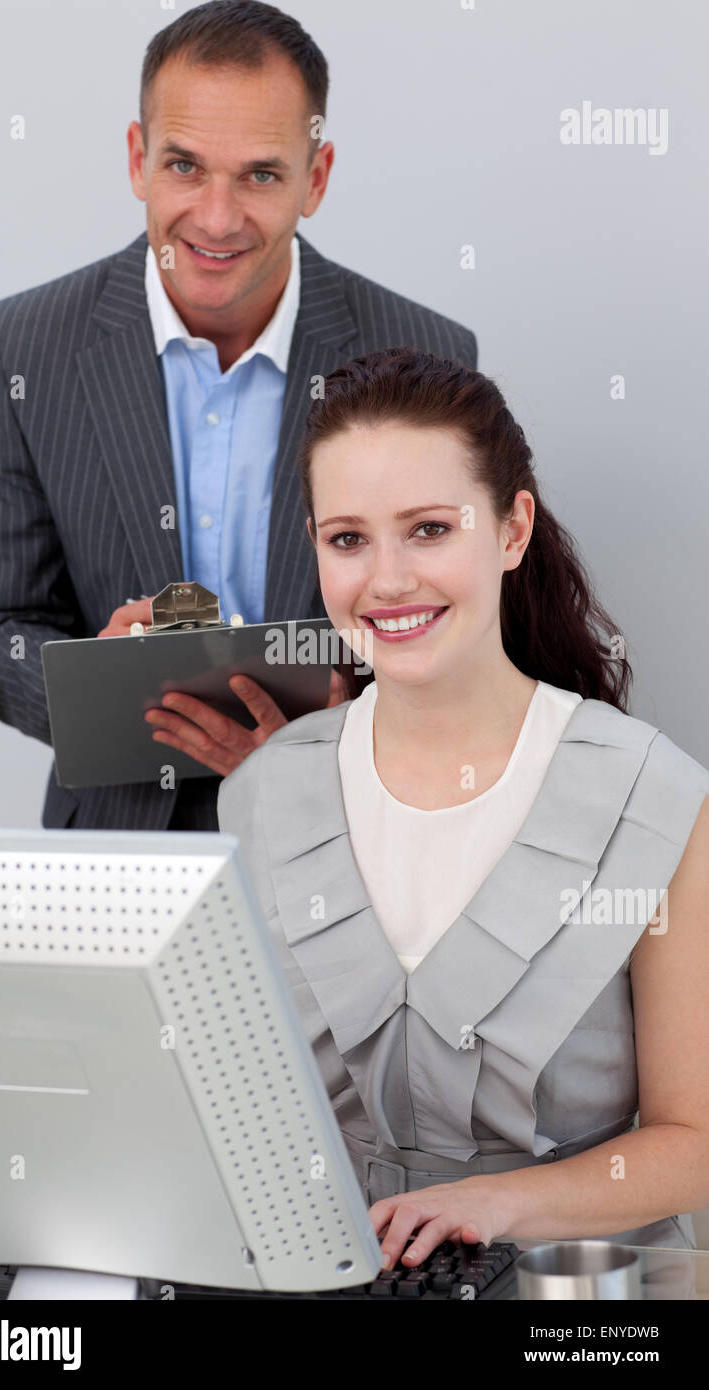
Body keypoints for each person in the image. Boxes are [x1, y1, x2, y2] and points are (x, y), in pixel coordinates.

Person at [217, 347, 709, 1268]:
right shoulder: (262, 794)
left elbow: (697, 1142)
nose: (389, 581)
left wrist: (493, 1202)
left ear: (512, 528)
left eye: (430, 529)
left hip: (573, 1299)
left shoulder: (654, 796)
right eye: (348, 539)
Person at [0, 0, 476, 834]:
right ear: (136, 159)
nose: (218, 218)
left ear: (317, 177)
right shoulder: (25, 346)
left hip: (357, 840)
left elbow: (461, 624)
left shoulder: (424, 352)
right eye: (185, 166)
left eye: (261, 174)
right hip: (120, 856)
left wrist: (343, 715)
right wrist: (108, 689)